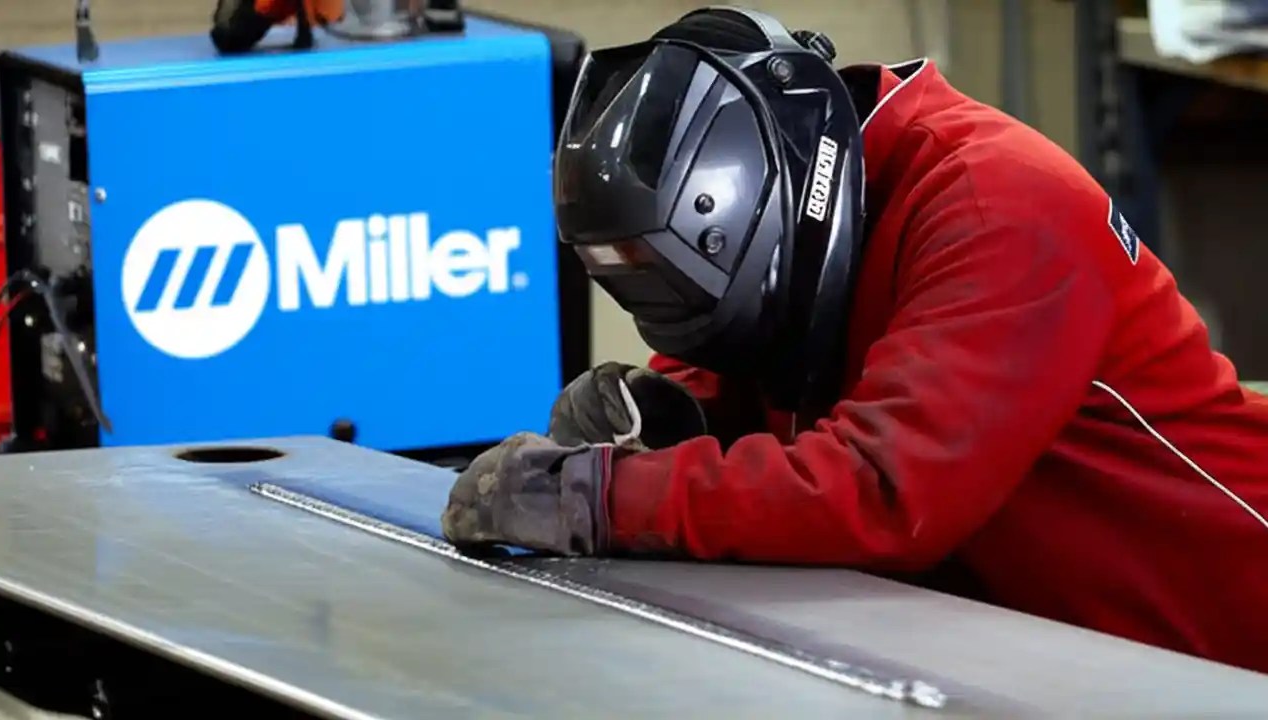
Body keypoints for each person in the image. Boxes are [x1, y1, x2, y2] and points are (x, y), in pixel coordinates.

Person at [441, 6, 1268, 673]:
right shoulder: (801, 239)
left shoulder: (998, 209)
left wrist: (605, 496)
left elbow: (883, 489)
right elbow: (731, 370)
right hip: (1063, 654)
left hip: (1226, 644)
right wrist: (670, 419)